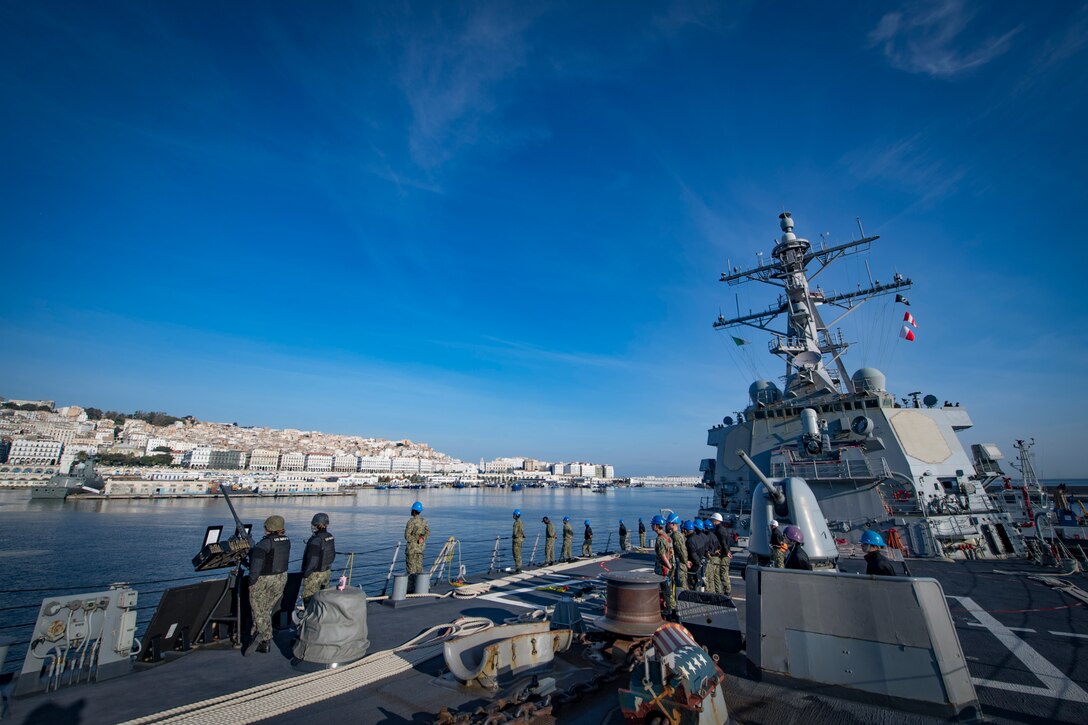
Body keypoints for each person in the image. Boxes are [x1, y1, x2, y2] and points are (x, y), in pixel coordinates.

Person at [244, 515, 290, 655]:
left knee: (259, 610)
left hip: (264, 580)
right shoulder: (286, 541)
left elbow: (256, 566)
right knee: (266, 610)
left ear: (268, 528)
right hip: (281, 578)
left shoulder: (263, 544)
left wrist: (251, 581)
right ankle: (257, 634)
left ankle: (264, 640)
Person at [301, 513, 336, 606]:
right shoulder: (329, 536)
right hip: (326, 571)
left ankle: (310, 619)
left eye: (314, 524)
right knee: (324, 599)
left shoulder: (316, 540)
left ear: (318, 525)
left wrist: (305, 574)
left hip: (314, 574)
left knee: (309, 600)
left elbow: (312, 560)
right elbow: (333, 554)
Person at [651, 515, 675, 616]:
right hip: (667, 568)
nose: (652, 526)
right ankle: (669, 608)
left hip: (662, 569)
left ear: (656, 526)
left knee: (665, 590)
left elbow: (663, 555)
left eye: (653, 524)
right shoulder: (667, 537)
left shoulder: (660, 539)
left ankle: (669, 610)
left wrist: (669, 566)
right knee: (667, 590)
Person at [707, 512, 731, 596]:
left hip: (724, 556)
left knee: (723, 574)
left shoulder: (719, 531)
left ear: (716, 520)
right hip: (724, 554)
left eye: (713, 520)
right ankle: (726, 590)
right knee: (722, 573)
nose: (712, 521)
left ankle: (727, 591)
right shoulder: (722, 529)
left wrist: (726, 553)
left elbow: (724, 543)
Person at [405, 501, 429, 575]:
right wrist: (422, 538)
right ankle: (419, 586)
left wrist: (415, 537)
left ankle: (411, 586)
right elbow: (427, 532)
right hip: (420, 549)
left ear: (413, 511)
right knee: (419, 570)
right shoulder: (424, 521)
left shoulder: (411, 522)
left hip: (412, 550)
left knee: (411, 572)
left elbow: (407, 536)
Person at [668, 514, 688, 592]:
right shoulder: (674, 535)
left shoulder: (676, 536)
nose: (667, 524)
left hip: (680, 565)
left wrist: (685, 562)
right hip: (677, 563)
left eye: (669, 523)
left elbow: (682, 551)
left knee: (682, 588)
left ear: (673, 524)